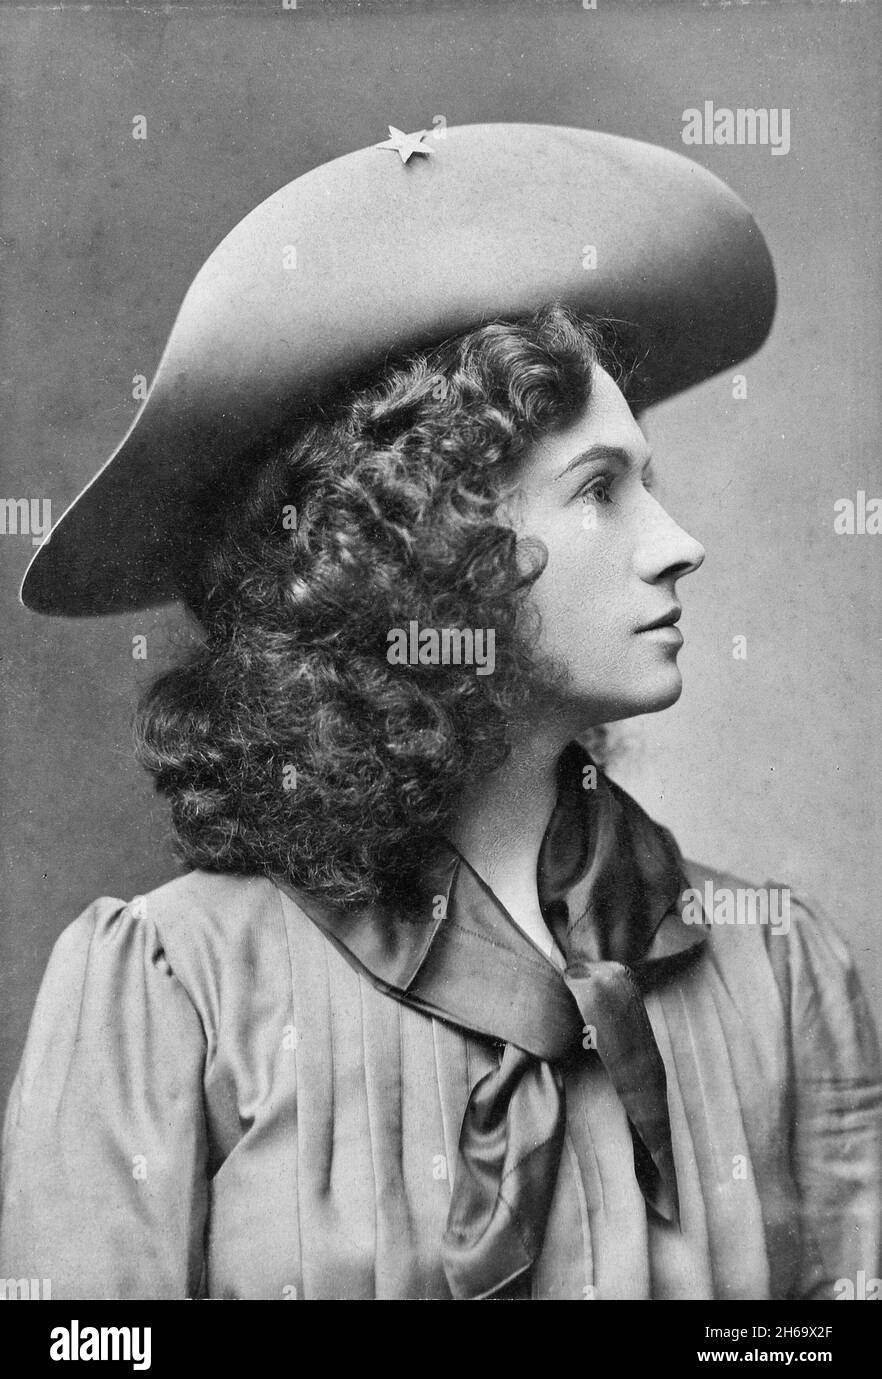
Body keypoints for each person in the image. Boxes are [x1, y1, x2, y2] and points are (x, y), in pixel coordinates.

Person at [2, 125, 880, 1300]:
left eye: (650, 486)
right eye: (601, 492)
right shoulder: (176, 988)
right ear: (427, 552)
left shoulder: (777, 973)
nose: (680, 548)